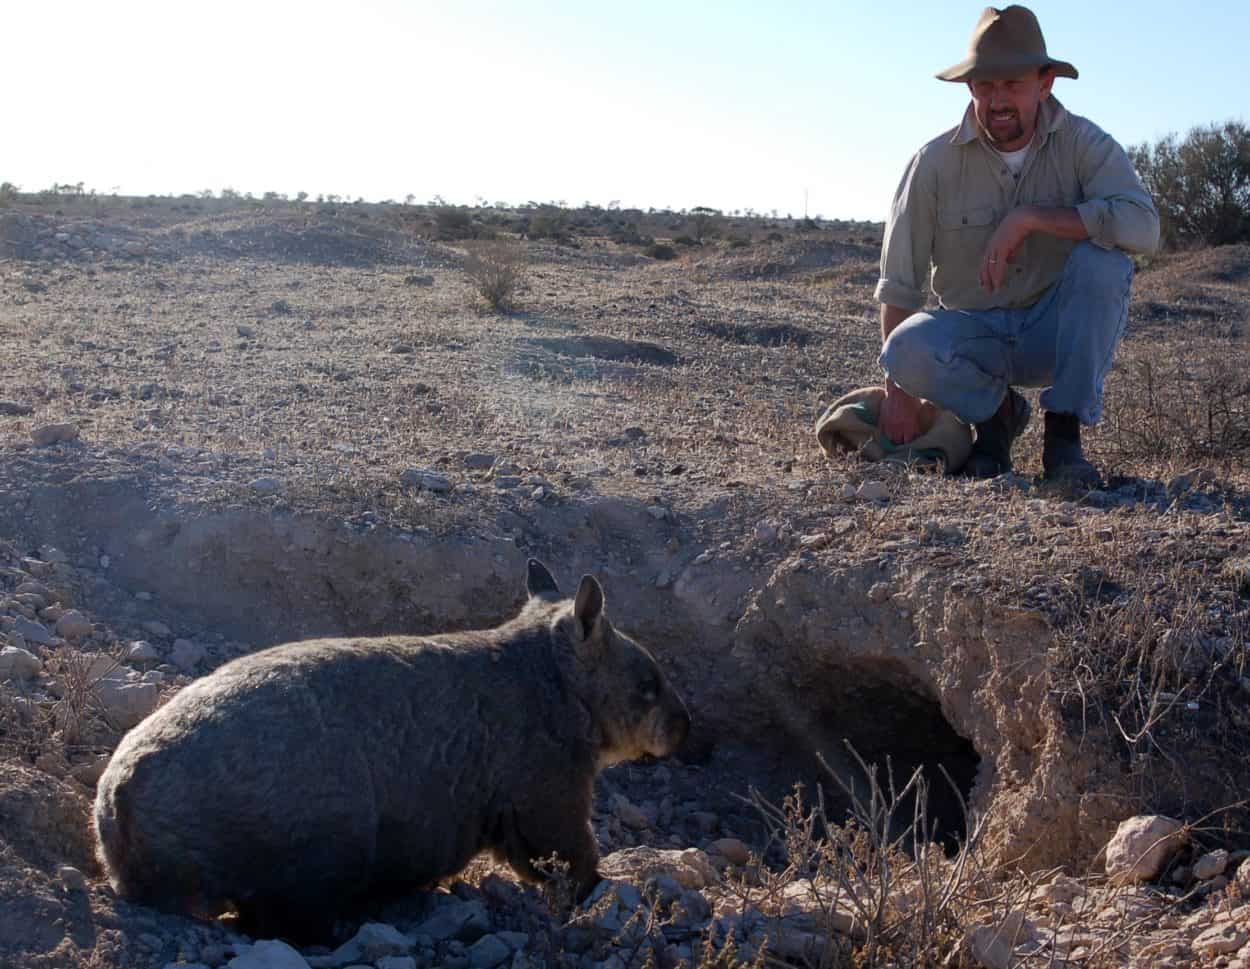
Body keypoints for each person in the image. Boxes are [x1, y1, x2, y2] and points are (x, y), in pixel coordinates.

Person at [874, 5, 1159, 487]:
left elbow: (1143, 229)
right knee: (902, 350)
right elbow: (900, 285)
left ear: (1044, 83)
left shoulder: (1085, 144)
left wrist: (1031, 219)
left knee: (1103, 265)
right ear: (970, 88)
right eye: (986, 85)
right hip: (976, 338)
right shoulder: (932, 164)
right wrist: (897, 393)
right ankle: (996, 421)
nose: (997, 99)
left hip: (1054, 335)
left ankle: (1063, 438)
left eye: (1013, 84)